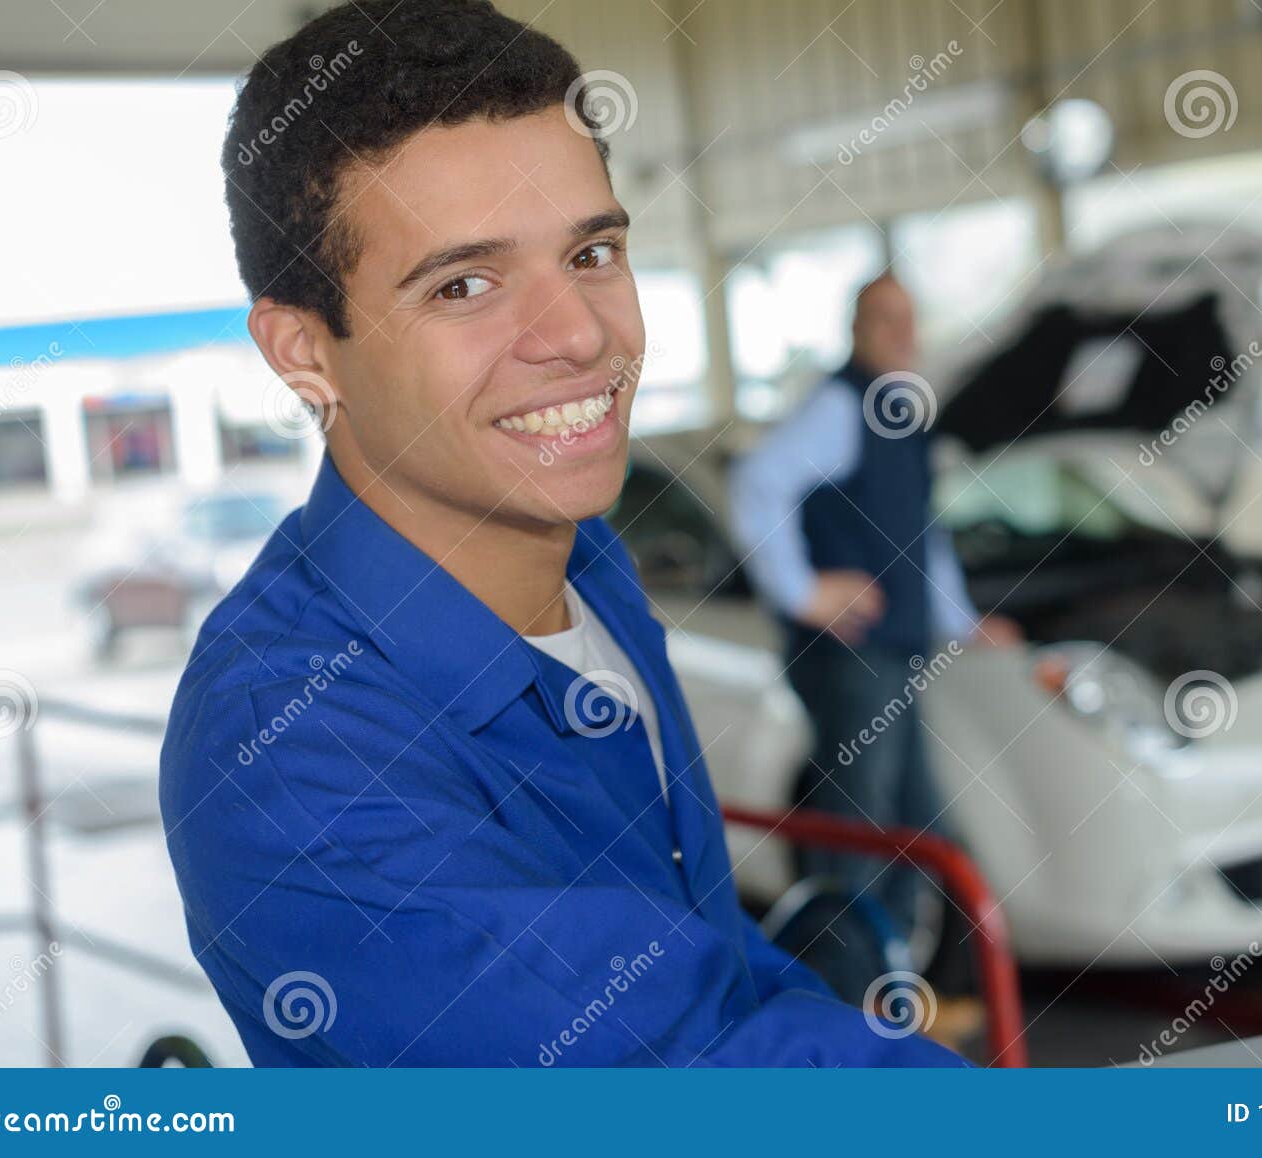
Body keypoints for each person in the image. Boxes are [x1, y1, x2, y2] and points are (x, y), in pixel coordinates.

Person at [159, 0, 963, 1068]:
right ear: (304, 351)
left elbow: (709, 966)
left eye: (591, 253)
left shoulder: (585, 559)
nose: (582, 335)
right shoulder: (293, 753)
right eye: (466, 284)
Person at [726, 274, 1022, 938]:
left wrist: (963, 623)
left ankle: (891, 985)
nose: (901, 334)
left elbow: (921, 534)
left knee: (914, 821)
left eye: (910, 319)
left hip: (896, 649)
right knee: (858, 824)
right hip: (854, 655)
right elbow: (755, 483)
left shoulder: (900, 411)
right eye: (885, 318)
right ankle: (845, 992)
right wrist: (803, 592)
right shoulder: (838, 405)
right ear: (854, 327)